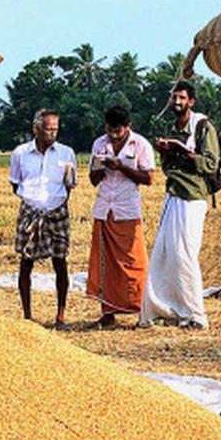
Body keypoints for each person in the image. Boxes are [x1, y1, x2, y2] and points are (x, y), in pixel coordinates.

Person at [140, 80, 221, 330]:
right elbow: (167, 167)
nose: (177, 102)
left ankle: (196, 315)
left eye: (182, 98)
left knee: (185, 256)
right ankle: (161, 309)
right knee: (163, 254)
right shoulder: (172, 127)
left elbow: (211, 163)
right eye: (174, 98)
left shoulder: (203, 126)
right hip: (173, 194)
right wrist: (165, 150)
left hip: (193, 197)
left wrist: (187, 154)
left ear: (191, 101)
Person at [86, 105, 156, 328]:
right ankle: (107, 313)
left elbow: (149, 178)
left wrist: (121, 167)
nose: (113, 135)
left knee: (135, 263)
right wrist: (102, 166)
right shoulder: (99, 143)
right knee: (105, 264)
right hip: (105, 209)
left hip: (127, 210)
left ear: (128, 127)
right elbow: (93, 179)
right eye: (110, 130)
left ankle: (141, 311)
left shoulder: (141, 144)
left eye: (118, 131)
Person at [10, 109, 77, 329]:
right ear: (36, 129)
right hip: (30, 211)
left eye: (56, 129)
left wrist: (57, 201)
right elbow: (15, 184)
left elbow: (70, 184)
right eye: (48, 129)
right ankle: (27, 316)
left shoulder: (66, 153)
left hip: (57, 212)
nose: (52, 134)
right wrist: (32, 201)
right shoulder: (20, 153)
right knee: (26, 261)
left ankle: (61, 316)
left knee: (60, 261)